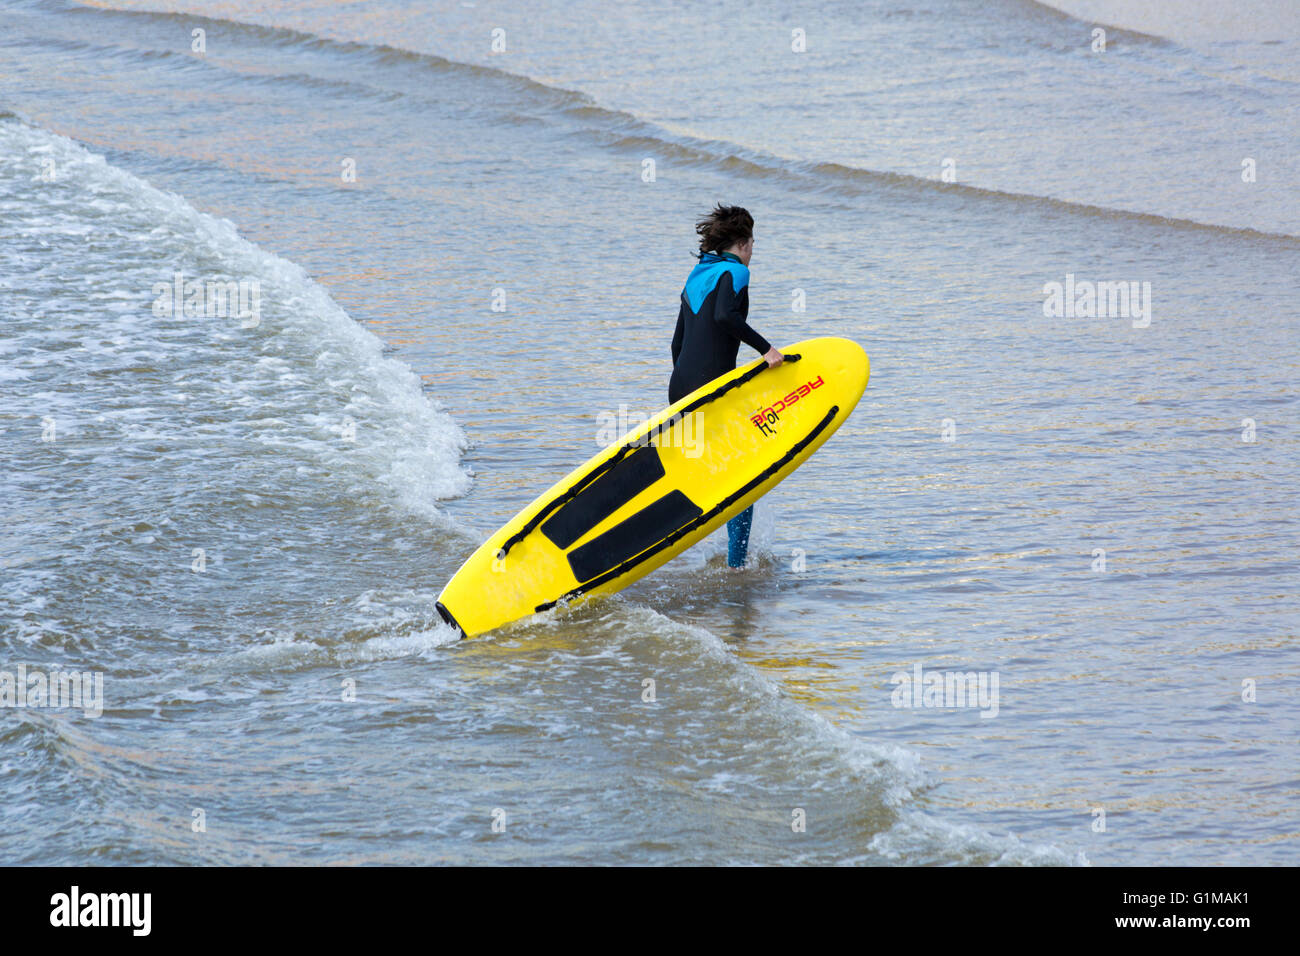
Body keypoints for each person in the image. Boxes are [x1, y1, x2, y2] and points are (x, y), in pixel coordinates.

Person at [670, 204, 784, 569]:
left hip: (681, 386)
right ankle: (737, 564)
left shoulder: (696, 274)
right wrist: (766, 350)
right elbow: (724, 316)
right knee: (744, 473)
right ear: (742, 243)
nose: (753, 252)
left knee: (713, 467)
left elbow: (677, 344)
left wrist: (689, 386)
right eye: (753, 244)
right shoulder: (736, 272)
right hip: (710, 388)